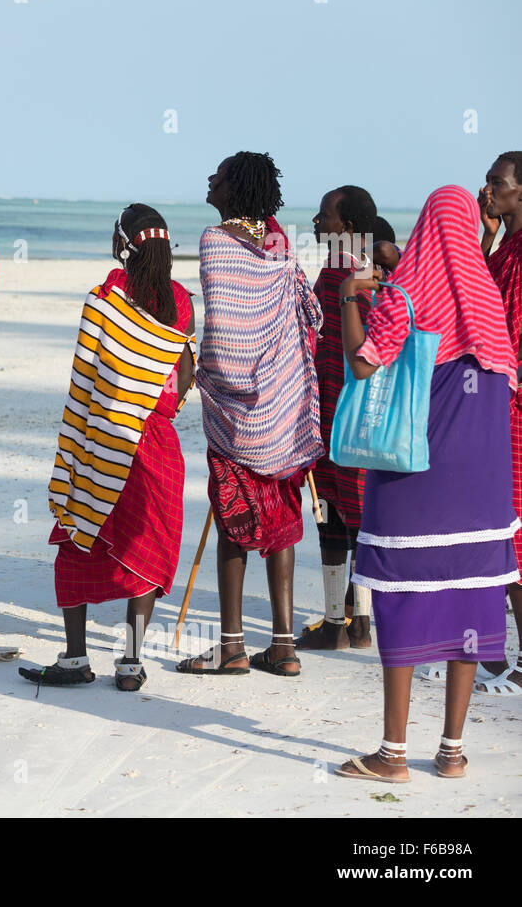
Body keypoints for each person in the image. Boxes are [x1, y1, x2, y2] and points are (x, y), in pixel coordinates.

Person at [335, 186, 516, 782]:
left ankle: (390, 756)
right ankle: (452, 750)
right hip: (485, 485)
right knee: (471, 595)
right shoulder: (490, 299)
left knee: (401, 593)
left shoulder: (410, 293)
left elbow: (364, 361)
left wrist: (347, 299)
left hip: (417, 471)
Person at [21, 205, 194, 692]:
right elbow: (185, 372)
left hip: (102, 438)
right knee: (146, 545)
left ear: (125, 243)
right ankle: (131, 661)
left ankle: (75, 658)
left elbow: (87, 373)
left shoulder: (107, 296)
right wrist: (163, 406)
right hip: (156, 441)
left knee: (79, 535)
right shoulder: (181, 300)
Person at [178, 152, 323, 678]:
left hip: (235, 413)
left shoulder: (216, 241)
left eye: (217, 176)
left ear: (233, 190)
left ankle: (234, 646)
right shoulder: (280, 246)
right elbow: (302, 318)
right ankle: (283, 647)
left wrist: (209, 376)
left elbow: (224, 328)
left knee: (233, 523)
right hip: (283, 410)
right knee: (283, 519)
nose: (209, 180)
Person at [298, 186, 379, 650]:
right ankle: (360, 622)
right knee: (359, 516)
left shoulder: (341, 274)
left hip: (338, 412)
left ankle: (336, 624)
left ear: (346, 227)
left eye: (325, 215)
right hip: (362, 416)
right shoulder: (372, 269)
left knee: (332, 511)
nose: (315, 221)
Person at [475, 150, 522, 696]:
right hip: (492, 411)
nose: (487, 190)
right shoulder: (505, 249)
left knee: (511, 535)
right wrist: (486, 240)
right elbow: (474, 301)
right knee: (498, 532)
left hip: (511, 411)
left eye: (497, 183)